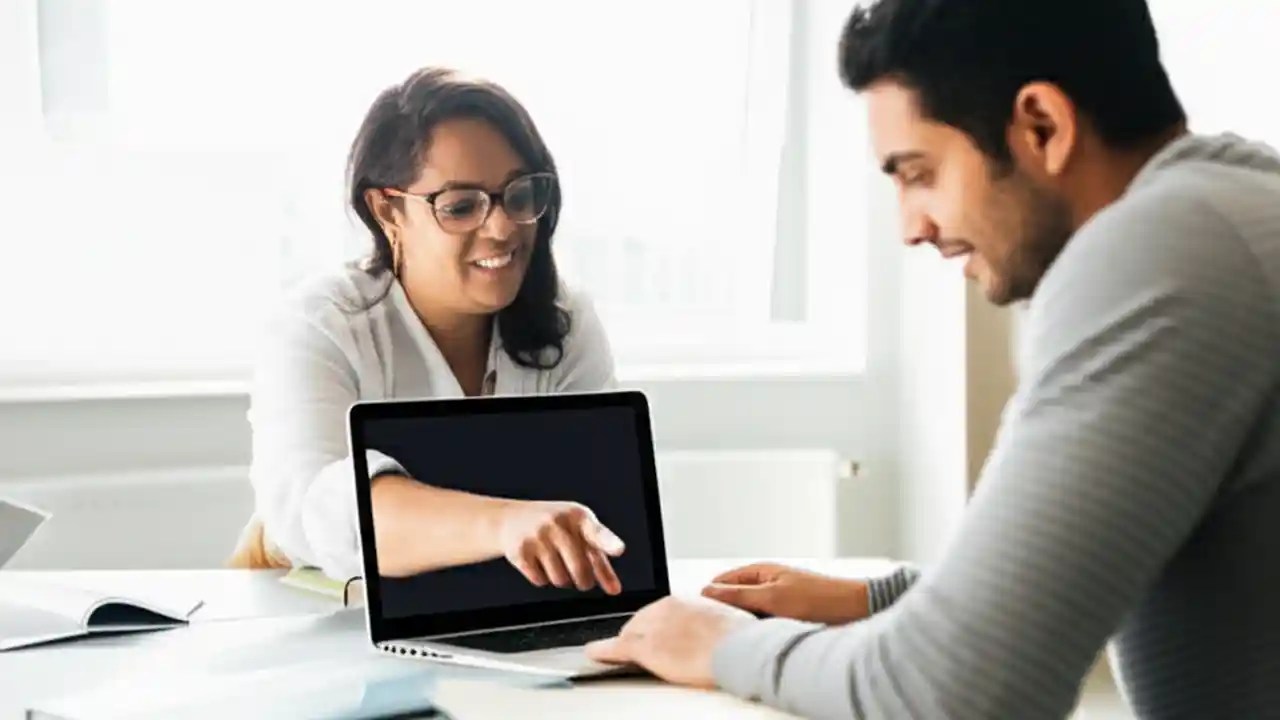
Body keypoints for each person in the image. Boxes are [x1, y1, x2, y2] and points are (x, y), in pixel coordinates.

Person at [586, 0, 1280, 717]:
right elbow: (1069, 568)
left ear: (1043, 126)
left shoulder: (1159, 255)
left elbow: (957, 691)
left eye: (918, 173)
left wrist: (718, 645)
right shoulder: (1236, 206)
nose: (911, 226)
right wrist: (871, 600)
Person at [229, 68, 627, 596]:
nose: (504, 227)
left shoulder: (565, 321)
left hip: (483, 612)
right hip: (309, 605)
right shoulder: (319, 325)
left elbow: (598, 500)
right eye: (461, 206)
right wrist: (502, 524)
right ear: (387, 210)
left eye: (520, 194)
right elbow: (312, 509)